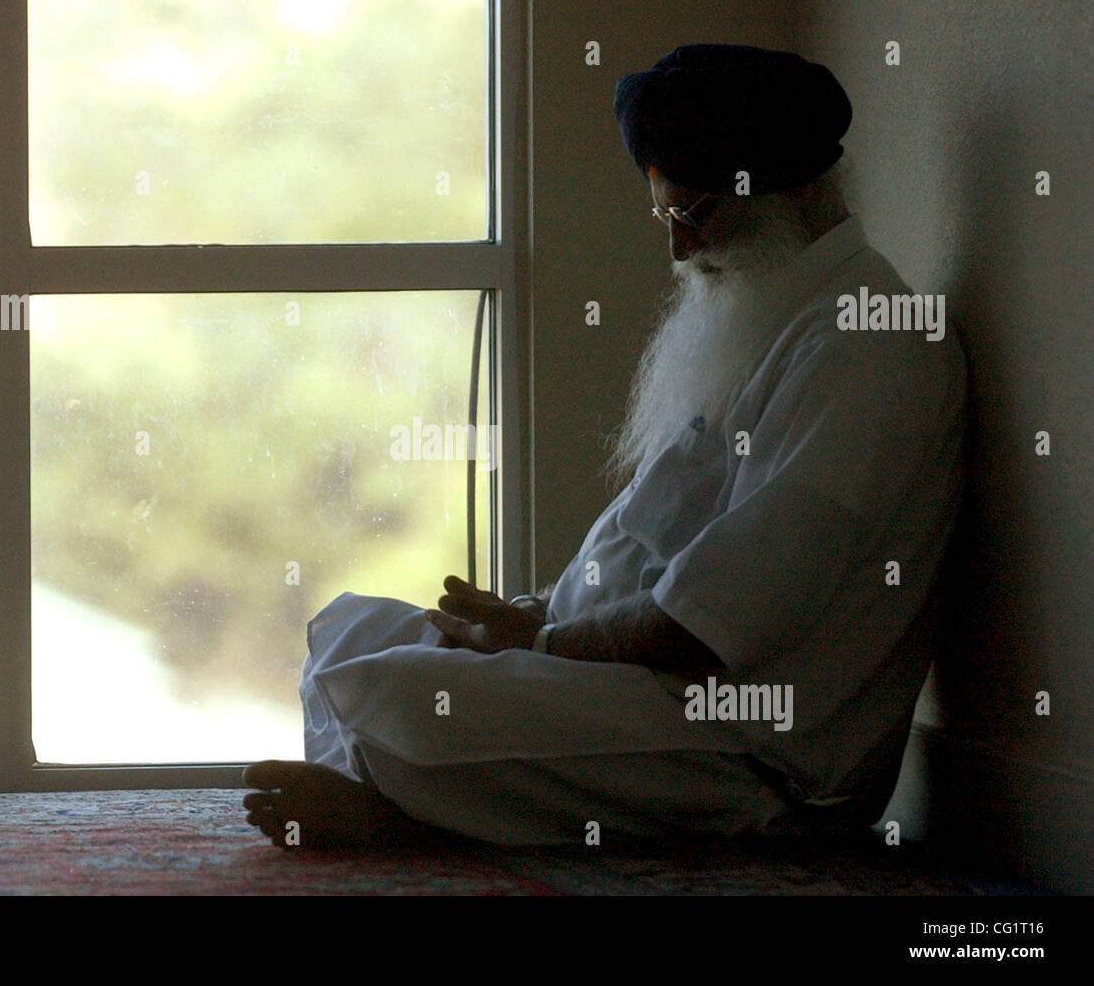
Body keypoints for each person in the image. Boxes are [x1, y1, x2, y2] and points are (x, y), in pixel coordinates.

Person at [244, 44, 967, 850]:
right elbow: (656, 543)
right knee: (351, 631)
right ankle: (409, 796)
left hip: (755, 747)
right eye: (666, 218)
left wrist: (542, 647)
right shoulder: (782, 319)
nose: (679, 252)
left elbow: (714, 627)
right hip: (635, 680)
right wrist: (531, 619)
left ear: (794, 185)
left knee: (398, 695)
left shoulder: (869, 346)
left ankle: (412, 817)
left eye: (695, 216)